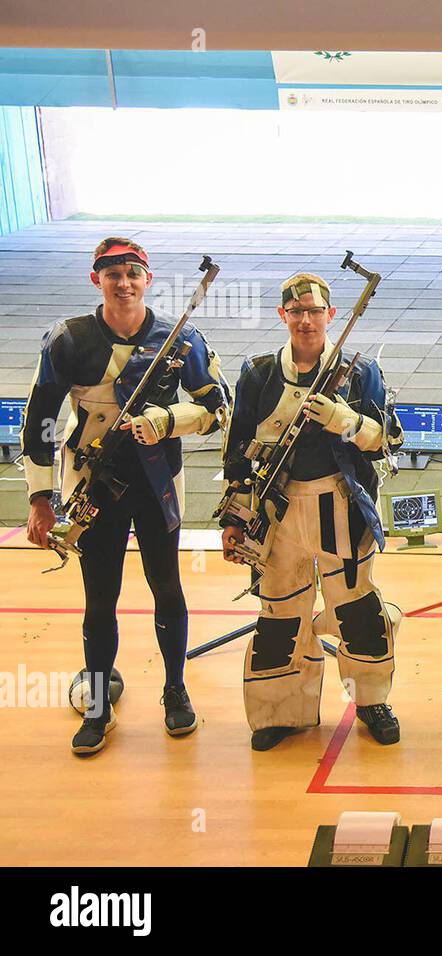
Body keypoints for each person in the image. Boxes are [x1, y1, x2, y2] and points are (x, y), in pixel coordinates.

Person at [23, 237, 230, 755]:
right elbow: (40, 422)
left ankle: (175, 690)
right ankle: (96, 704)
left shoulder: (180, 338)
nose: (123, 282)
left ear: (148, 279)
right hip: (93, 482)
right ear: (96, 280)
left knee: (167, 588)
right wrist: (41, 498)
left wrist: (167, 419)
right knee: (99, 598)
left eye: (133, 272)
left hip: (157, 483)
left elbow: (217, 408)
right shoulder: (67, 340)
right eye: (112, 273)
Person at [221, 272, 404, 751]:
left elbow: (388, 440)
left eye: (314, 311)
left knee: (357, 608)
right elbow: (238, 449)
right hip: (278, 511)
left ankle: (370, 701)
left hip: (340, 504)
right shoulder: (258, 374)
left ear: (331, 315)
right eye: (296, 311)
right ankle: (282, 711)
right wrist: (234, 519)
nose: (305, 320)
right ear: (283, 316)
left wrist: (347, 421)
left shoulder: (361, 373)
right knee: (281, 613)